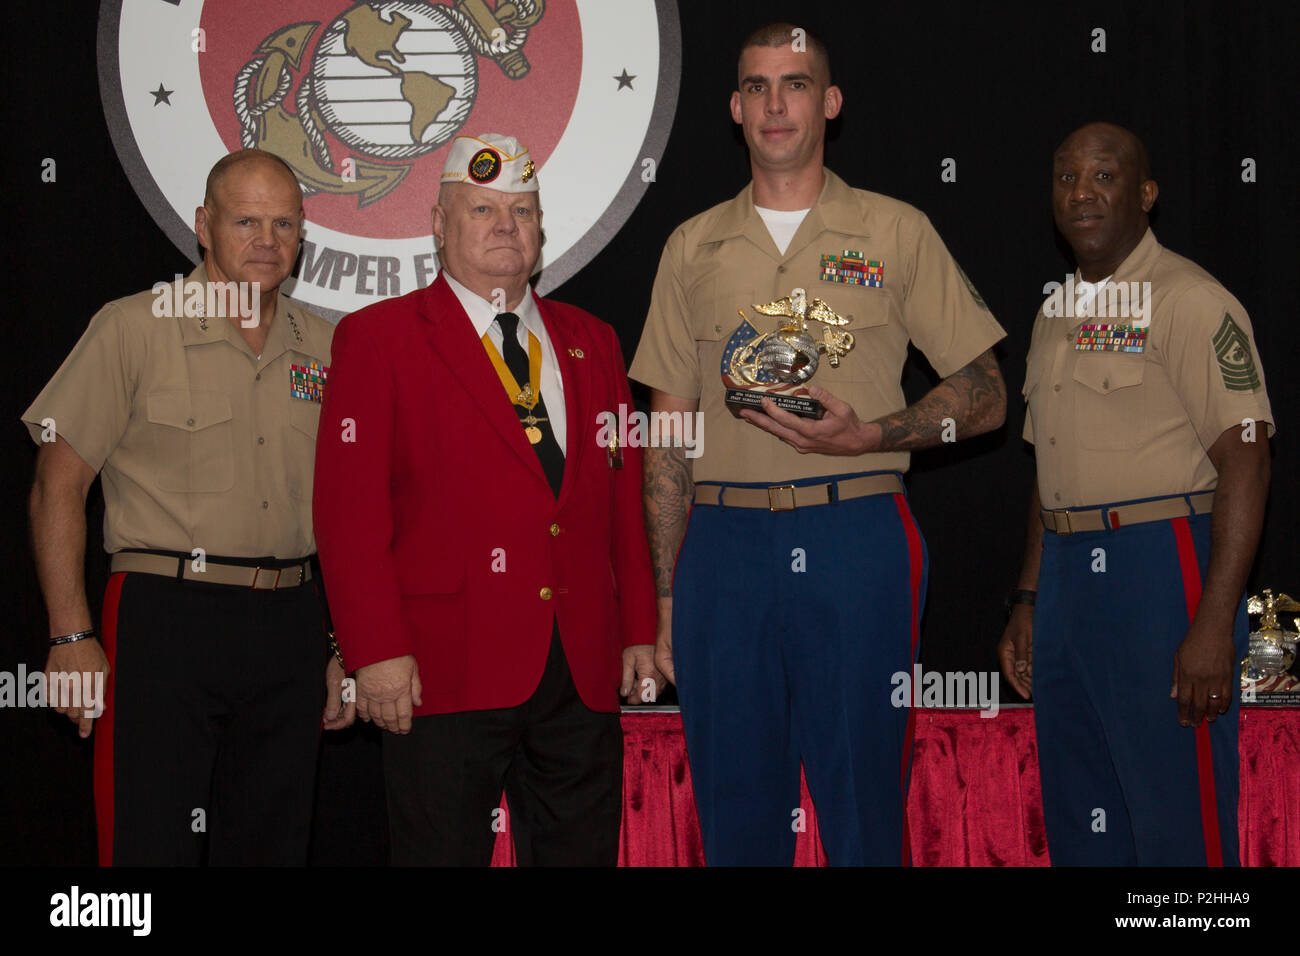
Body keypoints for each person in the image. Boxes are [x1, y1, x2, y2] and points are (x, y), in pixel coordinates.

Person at [630, 23, 1008, 866]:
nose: (776, 103)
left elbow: (986, 397)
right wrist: (665, 598)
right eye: (757, 86)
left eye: (795, 83)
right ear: (734, 108)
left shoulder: (897, 230)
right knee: (733, 809)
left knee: (865, 799)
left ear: (830, 103)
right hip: (721, 546)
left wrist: (870, 434)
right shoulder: (690, 246)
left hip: (857, 534)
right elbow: (667, 435)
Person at [313, 133, 659, 866]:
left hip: (580, 670)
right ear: (439, 226)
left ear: (541, 231)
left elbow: (621, 496)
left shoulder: (592, 342)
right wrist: (374, 651)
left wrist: (638, 629)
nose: (507, 225)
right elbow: (349, 516)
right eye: (483, 209)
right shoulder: (377, 340)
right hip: (441, 670)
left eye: (522, 211)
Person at [23, 148, 352, 865]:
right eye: (245, 221)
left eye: (284, 224)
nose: (266, 241)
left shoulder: (329, 348)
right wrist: (68, 637)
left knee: (273, 845)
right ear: (204, 226)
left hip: (292, 620)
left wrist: (337, 648)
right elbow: (57, 486)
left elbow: (345, 517)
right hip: (164, 616)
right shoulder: (133, 327)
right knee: (150, 845)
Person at [999, 122, 1272, 866]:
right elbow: (1048, 466)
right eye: (1065, 177)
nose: (1081, 192)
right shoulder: (1054, 313)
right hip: (1065, 580)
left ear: (1145, 195)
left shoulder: (1192, 301)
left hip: (1161, 568)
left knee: (1178, 824)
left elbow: (1246, 461)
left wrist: (1215, 624)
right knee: (1085, 818)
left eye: (1104, 176)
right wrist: (1028, 600)